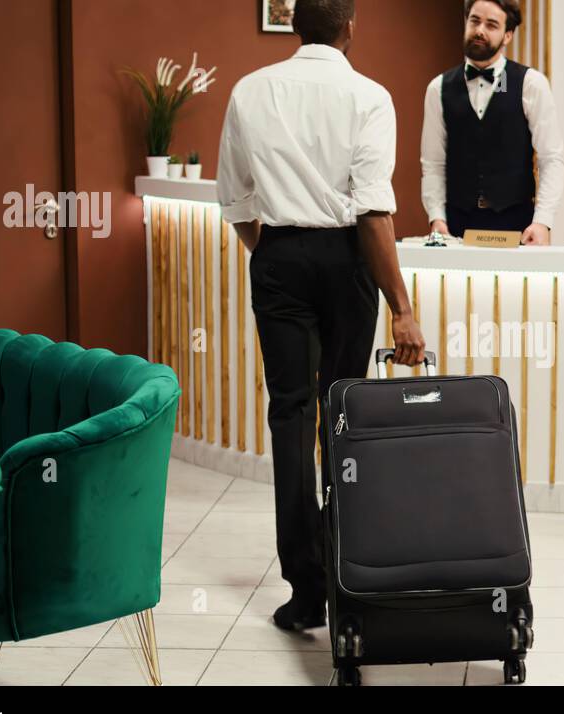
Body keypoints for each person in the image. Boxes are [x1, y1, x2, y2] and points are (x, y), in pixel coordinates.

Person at [216, 0, 426, 632]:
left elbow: (235, 199)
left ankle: (305, 589)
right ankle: (348, 574)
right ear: (349, 28)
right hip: (347, 262)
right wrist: (403, 309)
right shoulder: (370, 96)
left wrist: (279, 253)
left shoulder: (250, 91)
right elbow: (372, 212)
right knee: (341, 412)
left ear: (293, 24)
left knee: (290, 416)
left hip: (277, 254)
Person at [421, 0, 564, 243]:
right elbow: (433, 163)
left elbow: (551, 159)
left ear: (508, 35)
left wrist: (542, 221)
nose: (480, 30)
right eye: (475, 21)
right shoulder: (438, 88)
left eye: (492, 25)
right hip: (456, 225)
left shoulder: (531, 84)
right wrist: (436, 216)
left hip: (517, 224)